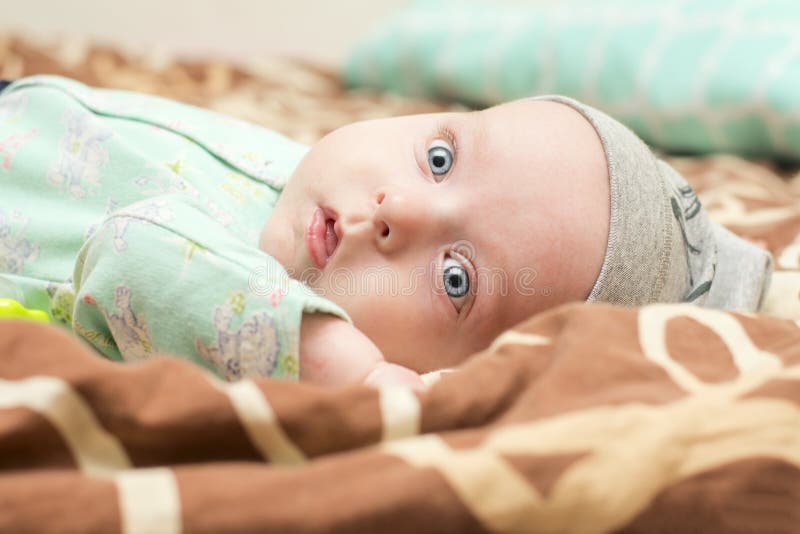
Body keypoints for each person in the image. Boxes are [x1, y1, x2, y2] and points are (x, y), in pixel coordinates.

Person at [0, 75, 773, 388]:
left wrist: (346, 369)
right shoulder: (319, 199)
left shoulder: (253, 311)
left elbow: (128, 254)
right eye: (439, 158)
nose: (400, 210)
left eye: (456, 279)